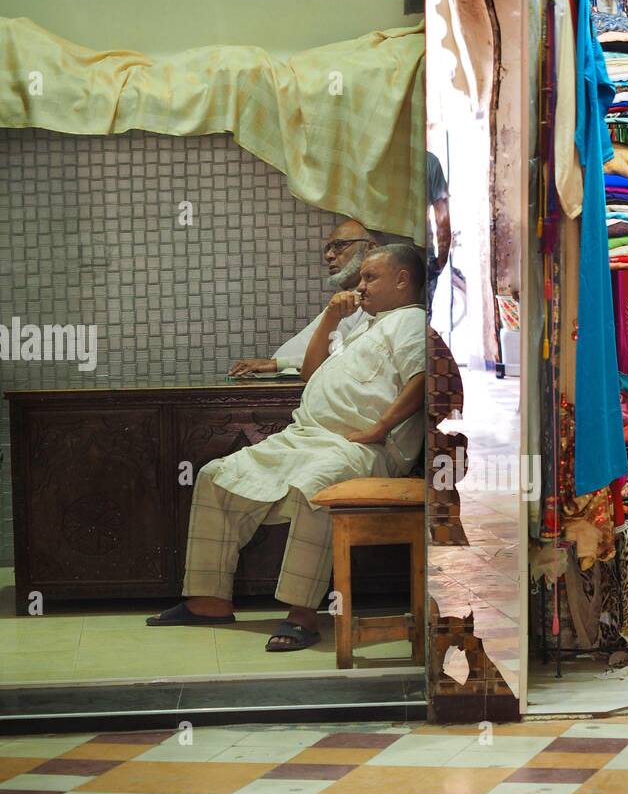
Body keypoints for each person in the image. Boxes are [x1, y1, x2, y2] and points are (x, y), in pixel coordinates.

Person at [149, 244, 427, 652]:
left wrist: (379, 428)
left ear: (402, 280)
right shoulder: (366, 325)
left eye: (371, 277)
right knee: (216, 477)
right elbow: (311, 372)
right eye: (362, 278)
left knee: (311, 487)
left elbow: (421, 379)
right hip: (305, 438)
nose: (361, 286)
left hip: (364, 449)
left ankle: (302, 615)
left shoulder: (410, 321)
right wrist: (332, 317)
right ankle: (208, 600)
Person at [228, 219, 375, 377]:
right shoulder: (347, 299)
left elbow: (344, 355)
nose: (328, 255)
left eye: (339, 245)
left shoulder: (376, 303)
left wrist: (276, 364)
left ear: (370, 249)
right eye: (327, 248)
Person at [427, 150, 451, 309]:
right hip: (421, 257)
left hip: (382, 254)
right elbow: (442, 217)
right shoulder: (429, 161)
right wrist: (441, 260)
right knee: (418, 323)